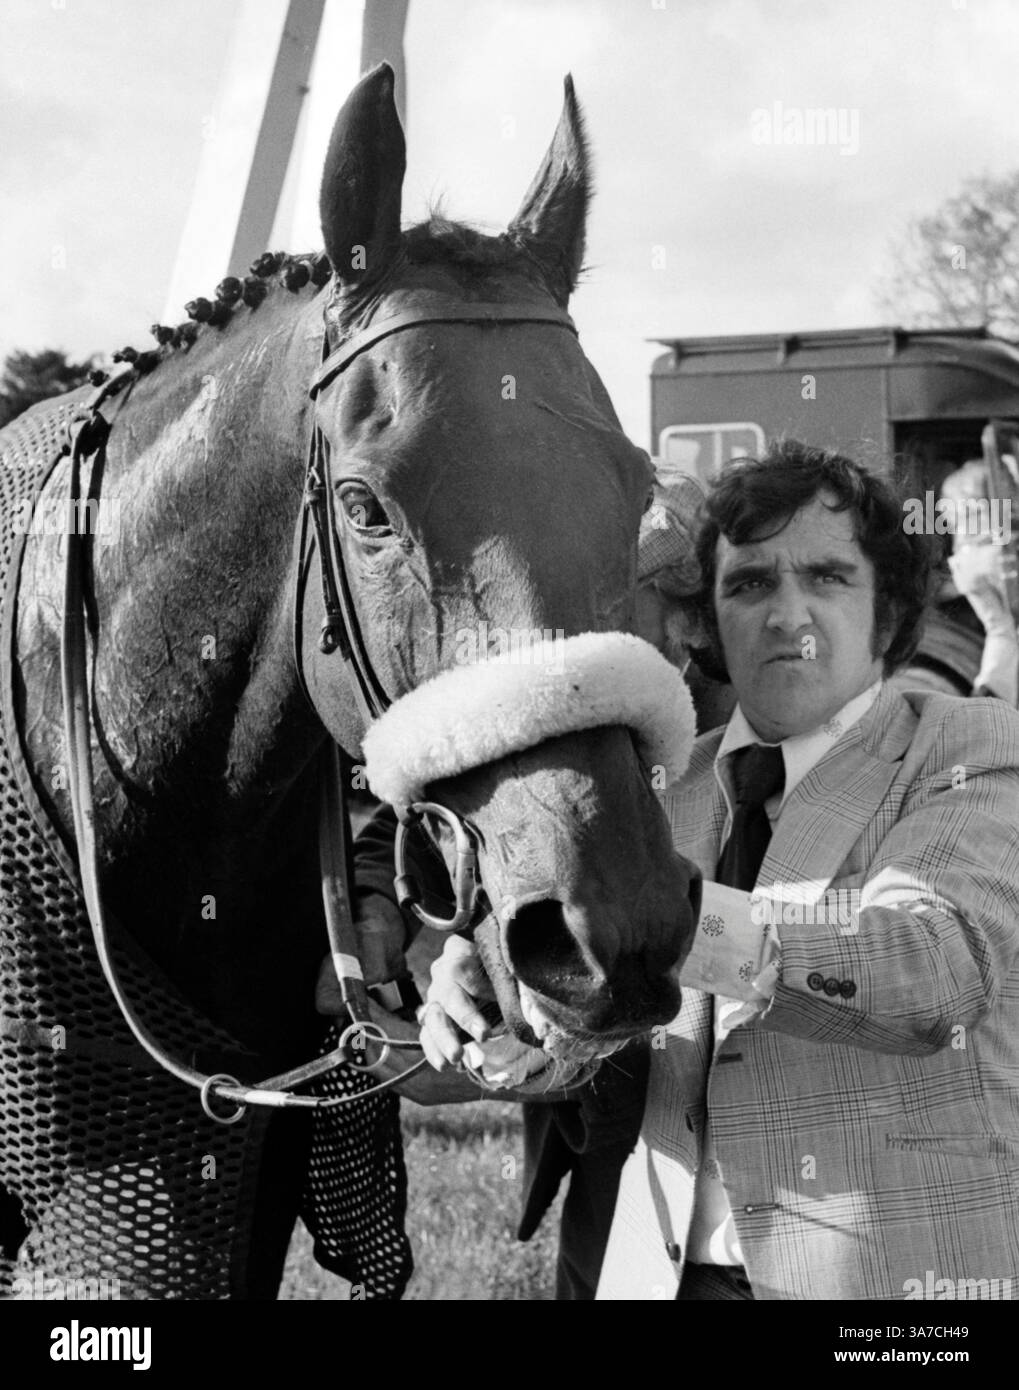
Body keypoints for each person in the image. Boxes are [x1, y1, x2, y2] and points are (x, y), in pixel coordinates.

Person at [421, 440, 1019, 1300]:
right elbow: (598, 1044)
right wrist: (509, 1004)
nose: (785, 616)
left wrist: (660, 917)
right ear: (704, 623)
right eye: (748, 584)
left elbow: (926, 972)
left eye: (825, 578)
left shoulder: (973, 748)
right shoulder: (662, 787)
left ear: (887, 615)